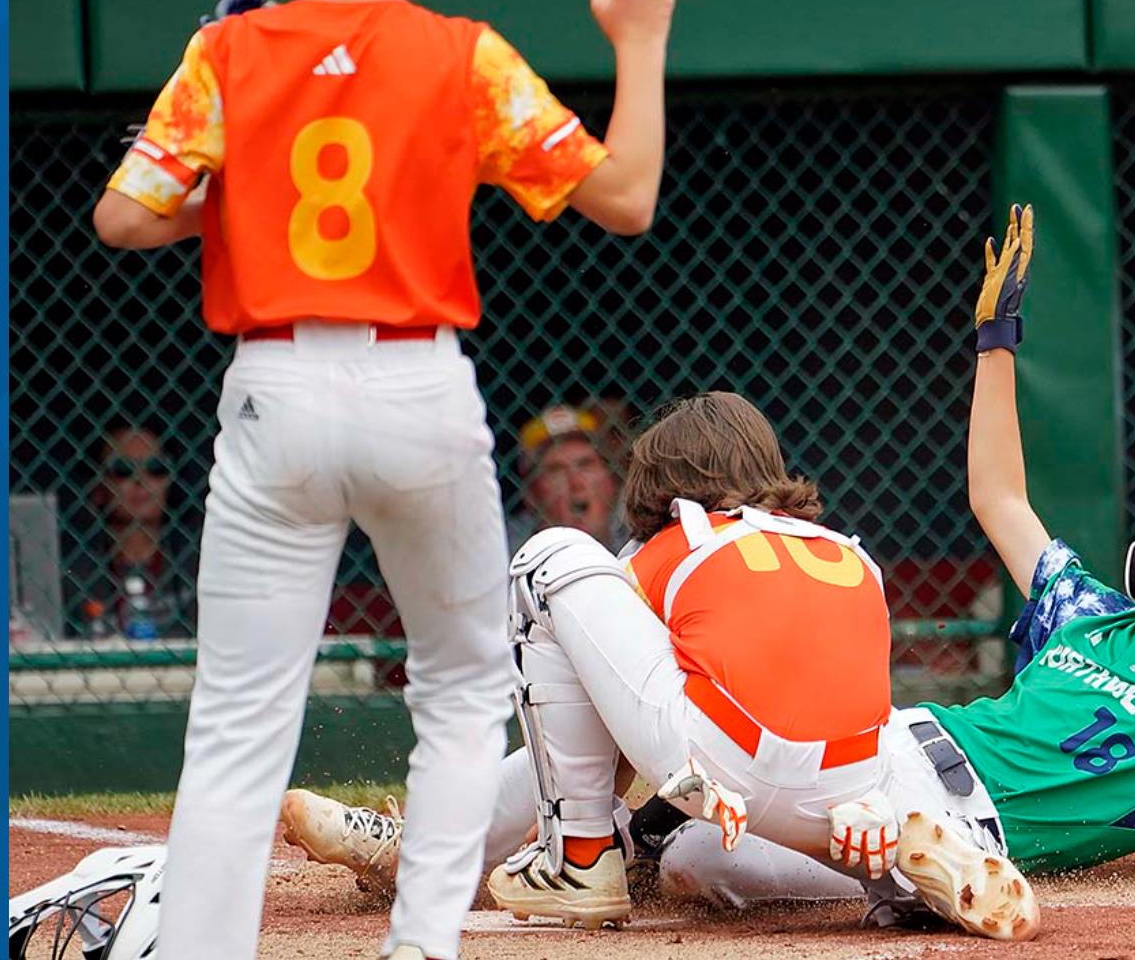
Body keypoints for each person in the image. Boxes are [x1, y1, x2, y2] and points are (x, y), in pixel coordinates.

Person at [279, 211, 1135, 941]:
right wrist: (994, 350)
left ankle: (888, 867)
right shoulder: (1090, 619)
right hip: (889, 751)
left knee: (695, 855)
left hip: (974, 817)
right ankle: (429, 841)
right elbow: (999, 500)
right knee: (654, 759)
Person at [89, 0, 675, 956]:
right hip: (416, 386)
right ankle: (419, 946)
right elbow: (628, 196)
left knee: (236, 722)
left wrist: (243, 185)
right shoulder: (464, 55)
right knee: (458, 689)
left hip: (273, 388)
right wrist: (639, 39)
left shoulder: (227, 54)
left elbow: (125, 217)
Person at [281, 391, 929, 928]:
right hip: (855, 796)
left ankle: (552, 853)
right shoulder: (848, 553)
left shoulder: (689, 543)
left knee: (552, 568)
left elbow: (601, 706)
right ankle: (910, 868)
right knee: (689, 860)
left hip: (725, 772)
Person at [66, 423, 196, 640]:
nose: (140, 480)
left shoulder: (198, 563)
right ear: (98, 486)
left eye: (156, 468)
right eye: (123, 469)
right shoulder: (73, 576)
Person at [506, 403, 629, 556]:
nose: (576, 483)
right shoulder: (505, 555)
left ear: (611, 481)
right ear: (530, 494)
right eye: (556, 470)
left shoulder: (639, 541)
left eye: (586, 465)